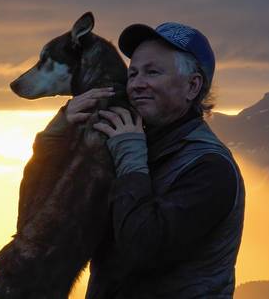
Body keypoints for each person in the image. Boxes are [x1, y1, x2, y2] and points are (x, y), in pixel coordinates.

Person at [64, 22, 247, 298]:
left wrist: (130, 159)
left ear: (192, 86)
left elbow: (142, 249)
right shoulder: (131, 141)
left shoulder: (211, 168)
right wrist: (62, 133)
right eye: (133, 73)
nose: (136, 84)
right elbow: (69, 228)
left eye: (153, 72)